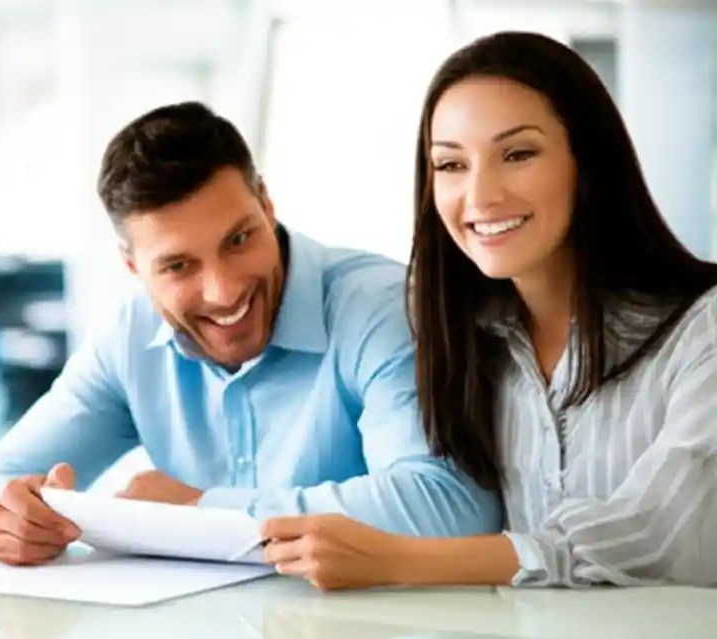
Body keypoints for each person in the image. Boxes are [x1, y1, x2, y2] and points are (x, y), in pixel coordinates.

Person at [0, 101, 501, 566]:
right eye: (178, 266)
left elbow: (451, 505)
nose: (223, 291)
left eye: (239, 240)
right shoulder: (129, 338)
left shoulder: (379, 307)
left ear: (266, 204)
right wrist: (2, 520)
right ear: (134, 268)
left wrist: (202, 512)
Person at [260, 31, 717, 590]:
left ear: (588, 162)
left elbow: (654, 538)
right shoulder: (461, 339)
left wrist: (399, 560)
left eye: (518, 155)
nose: (480, 197)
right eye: (451, 164)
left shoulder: (703, 329)